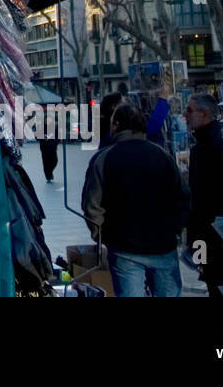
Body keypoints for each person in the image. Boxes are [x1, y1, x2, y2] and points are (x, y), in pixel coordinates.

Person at [81, 104, 190, 297]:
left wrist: (101, 235)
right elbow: (182, 197)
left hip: (124, 249)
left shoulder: (104, 157)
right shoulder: (163, 156)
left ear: (115, 126)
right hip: (163, 245)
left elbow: (91, 204)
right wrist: (175, 229)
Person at [184, 93, 223, 296]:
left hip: (217, 235)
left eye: (190, 110)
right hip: (206, 235)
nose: (185, 115)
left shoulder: (215, 145)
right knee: (213, 282)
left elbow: (212, 194)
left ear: (205, 114)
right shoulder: (202, 144)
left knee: (221, 283)